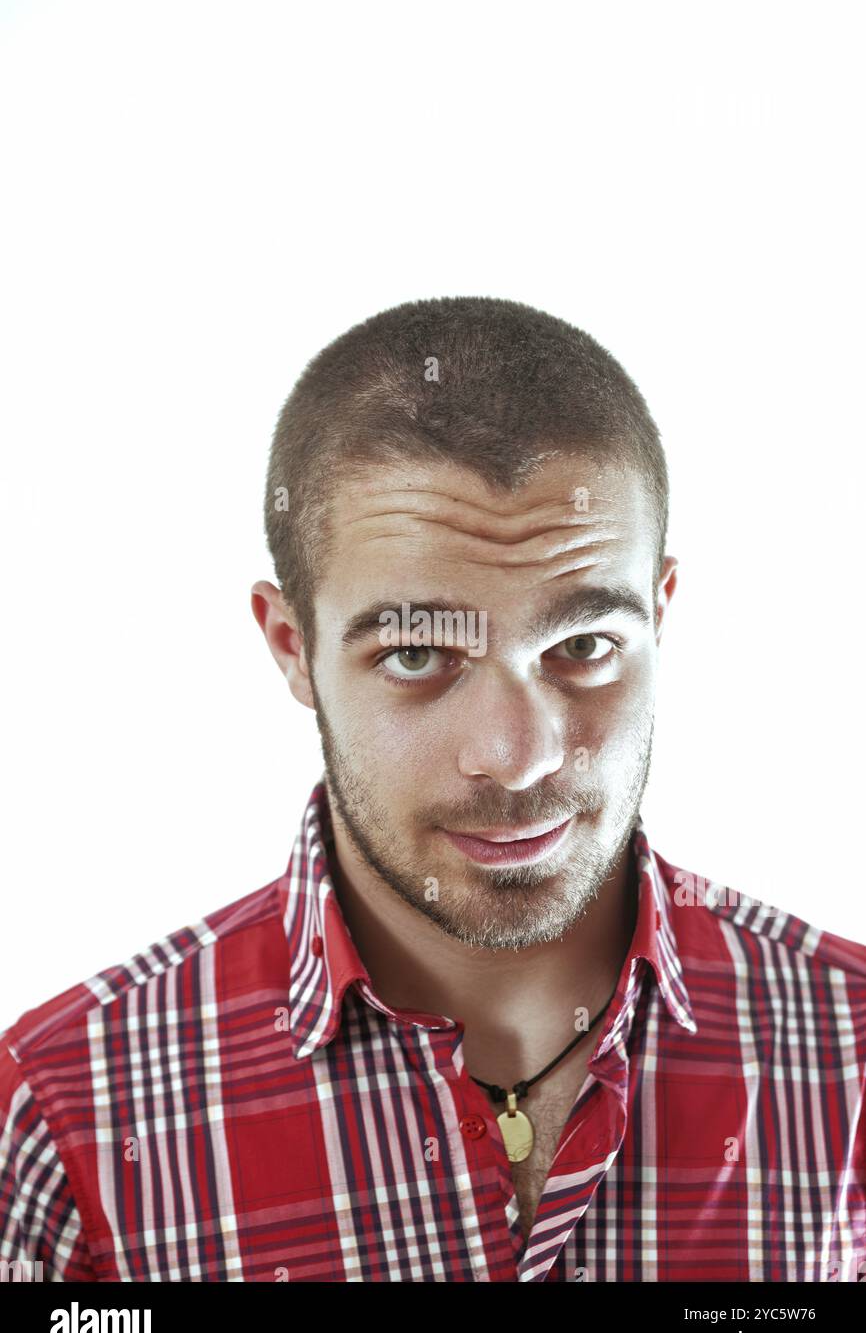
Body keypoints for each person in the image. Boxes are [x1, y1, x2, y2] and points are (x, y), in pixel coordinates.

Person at [2, 296, 864, 1283]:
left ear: (658, 616)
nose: (516, 755)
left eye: (583, 645)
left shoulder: (851, 1049)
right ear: (291, 646)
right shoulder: (65, 1116)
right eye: (415, 652)